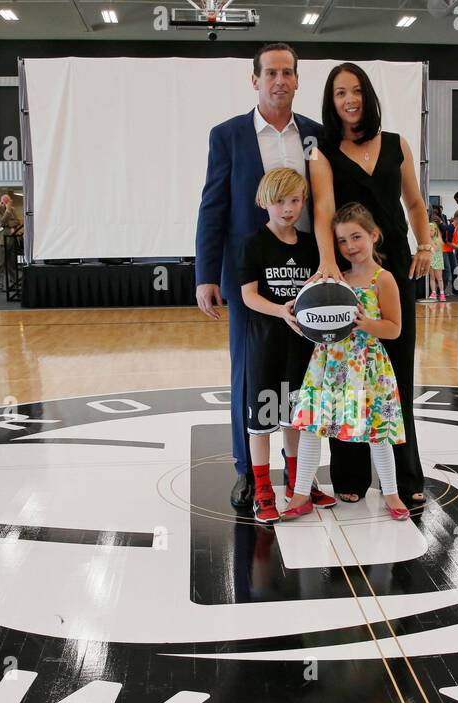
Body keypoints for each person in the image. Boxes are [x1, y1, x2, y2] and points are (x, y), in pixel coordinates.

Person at [196, 43, 323, 510]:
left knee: (304, 381)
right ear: (255, 80)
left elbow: (326, 204)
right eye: (270, 72)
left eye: (287, 72)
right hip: (253, 282)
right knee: (250, 380)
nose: (279, 80)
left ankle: (300, 475)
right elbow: (213, 206)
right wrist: (206, 274)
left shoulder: (315, 135)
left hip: (307, 280)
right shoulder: (227, 135)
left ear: (296, 80)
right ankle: (250, 474)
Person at [306, 61, 430, 507]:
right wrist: (328, 264)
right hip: (348, 269)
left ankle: (405, 471)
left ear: (368, 96)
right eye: (340, 93)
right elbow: (323, 210)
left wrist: (427, 245)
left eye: (355, 91)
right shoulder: (322, 150)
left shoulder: (397, 144)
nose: (349, 100)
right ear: (331, 101)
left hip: (394, 264)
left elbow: (414, 202)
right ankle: (351, 472)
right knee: (348, 373)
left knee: (397, 370)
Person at [282, 203, 409, 522]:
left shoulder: (384, 279)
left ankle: (391, 492)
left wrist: (367, 324)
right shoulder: (333, 279)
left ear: (373, 235)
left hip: (367, 366)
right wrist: (300, 311)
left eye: (356, 237)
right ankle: (300, 494)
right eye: (342, 241)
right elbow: (311, 316)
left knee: (378, 431)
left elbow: (394, 329)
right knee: (311, 427)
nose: (350, 246)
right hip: (328, 364)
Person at [238, 168, 333, 524]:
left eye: (295, 200)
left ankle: (298, 483)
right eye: (280, 201)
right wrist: (280, 310)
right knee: (261, 423)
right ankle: (263, 489)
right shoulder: (253, 244)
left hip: (302, 350)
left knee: (295, 421)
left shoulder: (311, 245)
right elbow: (247, 297)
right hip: (265, 347)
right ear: (264, 201)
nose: (288, 208)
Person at [0, 193, 23, 292]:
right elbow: (0, 222)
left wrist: (8, 224)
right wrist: (8, 211)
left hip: (12, 240)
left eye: (9, 202)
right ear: (3, 202)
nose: (8, 204)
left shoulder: (13, 209)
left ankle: (14, 283)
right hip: (0, 241)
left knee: (12, 264)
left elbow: (18, 221)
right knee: (0, 264)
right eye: (6, 202)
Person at [425, 210, 446, 305]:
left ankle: (442, 293)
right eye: (428, 230)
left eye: (432, 230)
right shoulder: (427, 240)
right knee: (432, 277)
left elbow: (436, 248)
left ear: (435, 231)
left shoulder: (437, 240)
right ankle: (433, 292)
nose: (430, 232)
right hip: (431, 261)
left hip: (437, 261)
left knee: (439, 278)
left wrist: (430, 241)